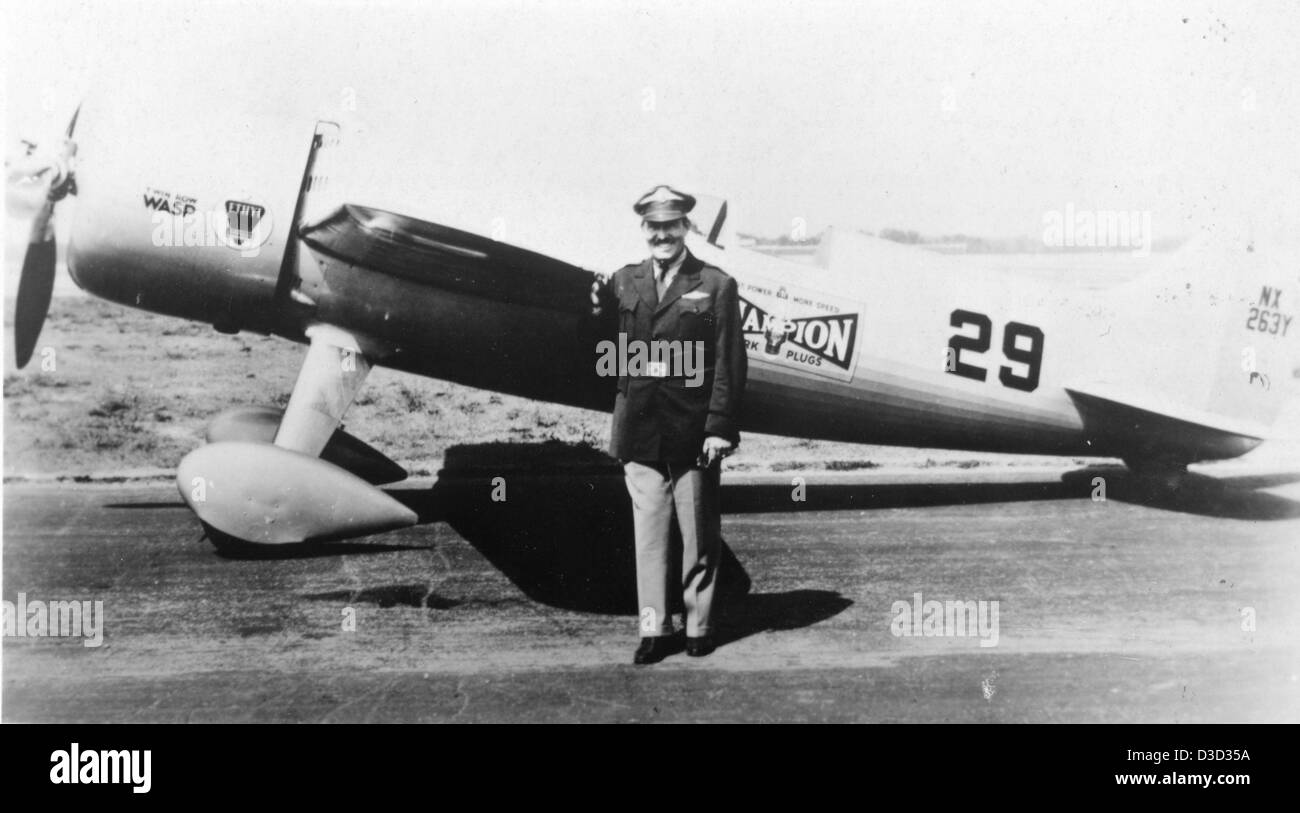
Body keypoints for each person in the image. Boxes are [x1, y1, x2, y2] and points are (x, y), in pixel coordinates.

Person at [588, 185, 747, 664]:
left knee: (698, 533)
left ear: (685, 228)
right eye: (654, 227)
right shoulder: (622, 281)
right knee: (649, 535)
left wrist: (719, 427)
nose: (662, 235)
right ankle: (654, 629)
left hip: (693, 430)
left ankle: (699, 625)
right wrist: (594, 310)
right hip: (639, 429)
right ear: (644, 230)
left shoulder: (716, 284)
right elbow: (604, 346)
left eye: (671, 226)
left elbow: (728, 362)